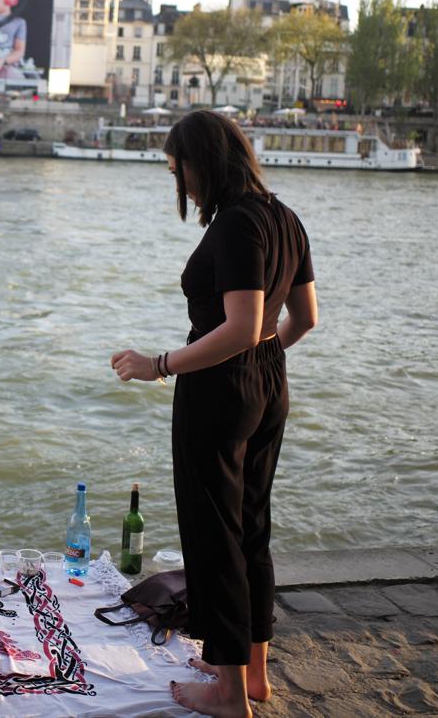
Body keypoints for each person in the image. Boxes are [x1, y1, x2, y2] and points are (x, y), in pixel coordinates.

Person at [110, 111, 318, 718]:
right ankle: (252, 674)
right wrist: (259, 361)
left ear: (205, 162)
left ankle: (229, 696)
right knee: (251, 527)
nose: (183, 186)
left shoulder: (235, 225)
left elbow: (241, 326)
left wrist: (161, 363)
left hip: (218, 393)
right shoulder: (285, 217)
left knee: (214, 538)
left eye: (181, 171)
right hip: (268, 385)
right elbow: (301, 321)